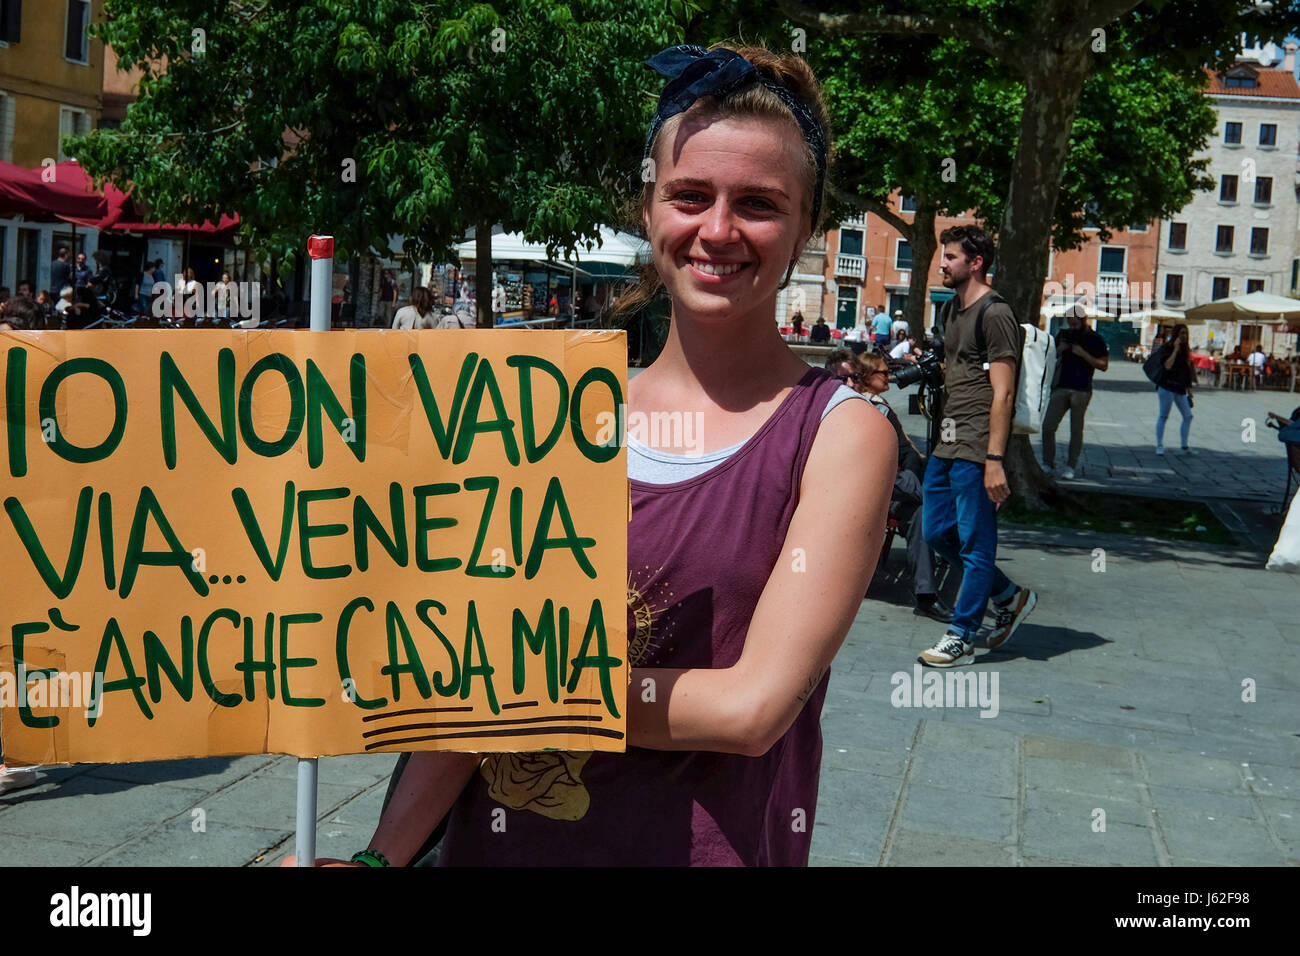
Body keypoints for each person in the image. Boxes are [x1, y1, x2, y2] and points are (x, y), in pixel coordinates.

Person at [292, 41, 894, 869]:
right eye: (690, 196)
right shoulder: (556, 414)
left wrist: (517, 689)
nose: (718, 230)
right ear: (648, 211)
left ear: (805, 227)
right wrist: (377, 860)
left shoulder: (837, 433)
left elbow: (750, 709)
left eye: (759, 203)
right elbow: (477, 682)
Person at [918, 224, 1037, 668]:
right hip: (947, 440)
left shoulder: (996, 312)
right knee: (935, 532)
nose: (942, 263)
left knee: (976, 542)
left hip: (976, 445)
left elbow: (1003, 392)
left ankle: (962, 634)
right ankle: (1008, 594)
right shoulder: (952, 311)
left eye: (950, 257)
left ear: (976, 263)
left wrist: (994, 459)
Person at [827, 348, 954, 622]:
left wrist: (903, 472)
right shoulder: (824, 413)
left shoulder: (878, 409)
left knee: (917, 511)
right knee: (923, 498)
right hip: (845, 494)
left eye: (854, 378)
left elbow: (907, 452)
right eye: (842, 379)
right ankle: (939, 502)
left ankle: (925, 597)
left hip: (885, 489)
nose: (850, 384)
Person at [1040, 303, 1109, 479]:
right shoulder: (1063, 335)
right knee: (1048, 426)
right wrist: (1059, 350)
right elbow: (1048, 357)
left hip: (1082, 389)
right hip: (1061, 386)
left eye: (1075, 323)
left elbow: (1103, 365)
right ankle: (1048, 462)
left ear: (1083, 320)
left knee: (1076, 430)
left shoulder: (1095, 339)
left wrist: (1083, 354)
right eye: (1070, 323)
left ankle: (1071, 466)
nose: (1072, 326)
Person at [1152, 322, 1195, 455]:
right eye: (1182, 333)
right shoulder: (1167, 348)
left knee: (1188, 416)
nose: (1184, 336)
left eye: (1186, 333)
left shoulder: (1186, 350)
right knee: (1164, 416)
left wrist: (1189, 390)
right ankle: (1159, 445)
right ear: (1176, 334)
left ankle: (1184, 446)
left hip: (1180, 388)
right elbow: (1168, 366)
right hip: (1167, 386)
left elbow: (1186, 371)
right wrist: (1175, 350)